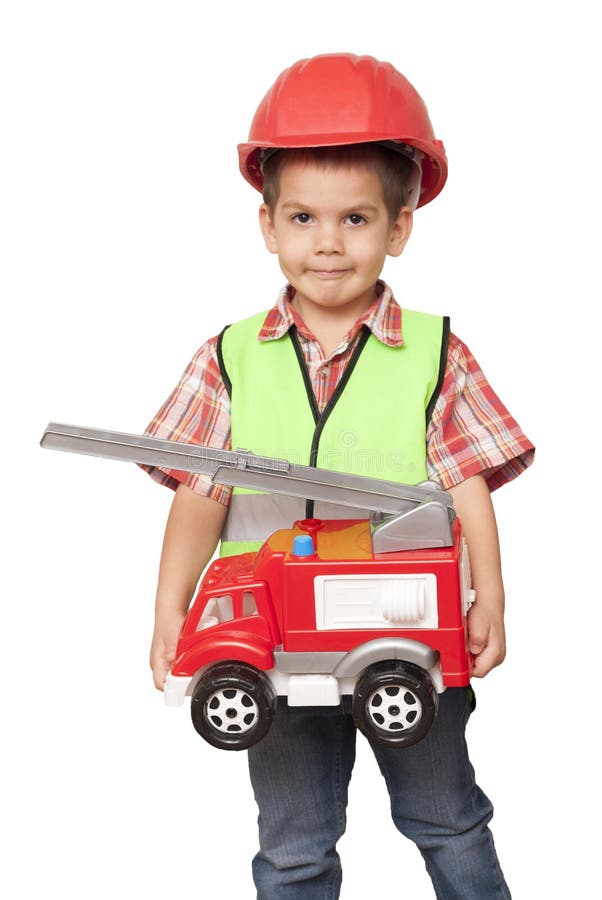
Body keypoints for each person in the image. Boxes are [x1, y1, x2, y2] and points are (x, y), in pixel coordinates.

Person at [141, 53, 534, 899]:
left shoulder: (434, 353)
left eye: (355, 218)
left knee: (447, 818)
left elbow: (467, 481)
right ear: (267, 224)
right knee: (294, 843)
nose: (327, 242)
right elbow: (201, 491)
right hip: (278, 641)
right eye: (303, 217)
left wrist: (490, 597)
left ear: (399, 227)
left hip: (408, 630)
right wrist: (173, 607)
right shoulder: (231, 356)